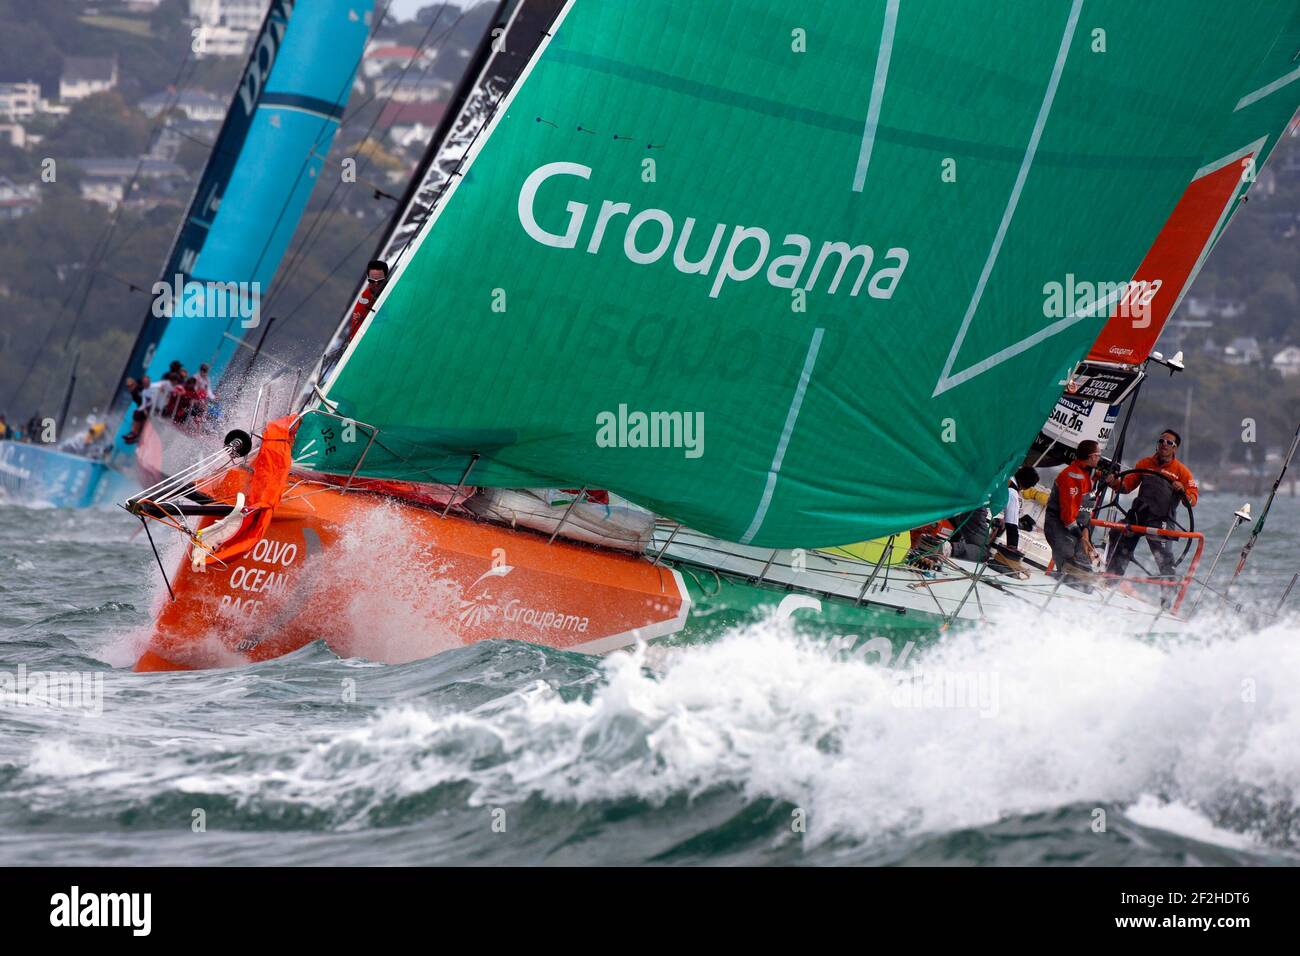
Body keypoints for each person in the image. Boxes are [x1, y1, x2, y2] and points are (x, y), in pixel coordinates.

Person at [1105, 429, 1198, 580]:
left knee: (1165, 559)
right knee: (1118, 532)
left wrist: (1182, 491)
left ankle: (1169, 591)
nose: (1164, 444)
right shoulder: (1144, 463)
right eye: (1161, 441)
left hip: (1161, 520)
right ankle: (1110, 579)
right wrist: (1114, 482)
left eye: (1169, 442)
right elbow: (1127, 486)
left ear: (1175, 448)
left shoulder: (1182, 472)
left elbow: (1192, 501)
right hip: (1138, 515)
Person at [1045, 440, 1101, 583]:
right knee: (1069, 564)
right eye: (1098, 455)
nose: (1099, 459)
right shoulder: (1072, 476)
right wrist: (1081, 536)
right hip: (1059, 525)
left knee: (1086, 569)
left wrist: (1085, 530)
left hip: (1077, 529)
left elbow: (1085, 509)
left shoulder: (1088, 475)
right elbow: (1067, 515)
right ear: (1092, 457)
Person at [997, 465, 1040, 551]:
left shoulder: (1005, 476)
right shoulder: (1012, 492)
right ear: (1027, 485)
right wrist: (1012, 545)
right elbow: (1012, 522)